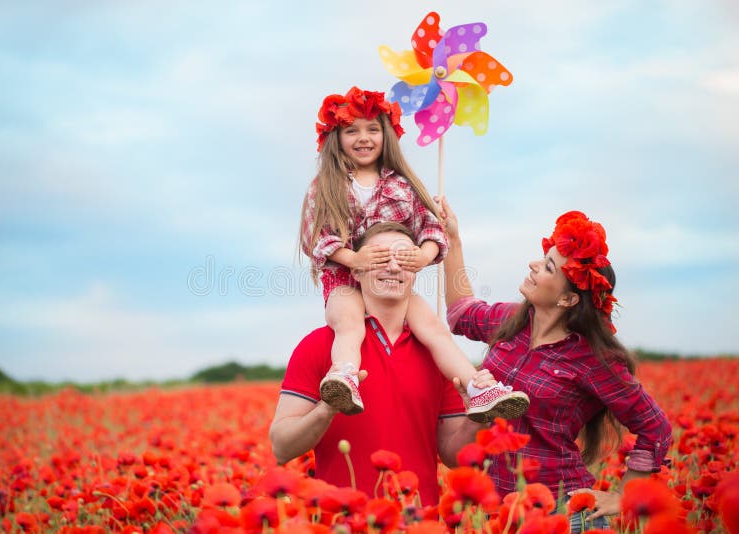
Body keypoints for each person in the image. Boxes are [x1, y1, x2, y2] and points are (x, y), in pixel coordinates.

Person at [437, 196, 673, 532]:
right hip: (500, 512)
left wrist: (624, 495)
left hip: (564, 514)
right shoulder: (512, 321)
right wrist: (453, 240)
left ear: (568, 299)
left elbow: (656, 427)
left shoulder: (593, 358)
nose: (533, 264)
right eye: (544, 259)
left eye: (548, 267)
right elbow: (461, 313)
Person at [299, 86, 528, 422]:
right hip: (345, 279)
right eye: (352, 131)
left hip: (393, 281)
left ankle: (477, 388)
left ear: (387, 135)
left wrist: (424, 255)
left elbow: (431, 229)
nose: (363, 138)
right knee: (348, 323)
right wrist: (354, 260)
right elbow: (314, 238)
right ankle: (344, 375)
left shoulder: (402, 184)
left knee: (433, 327)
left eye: (373, 129)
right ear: (336, 137)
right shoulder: (326, 184)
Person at [270, 222, 494, 505]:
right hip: (340, 520)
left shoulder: (441, 356)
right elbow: (281, 447)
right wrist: (326, 410)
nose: (392, 267)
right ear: (356, 269)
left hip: (418, 522)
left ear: (415, 271)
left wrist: (478, 418)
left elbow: (455, 458)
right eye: (379, 257)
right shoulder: (319, 346)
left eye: (403, 258)